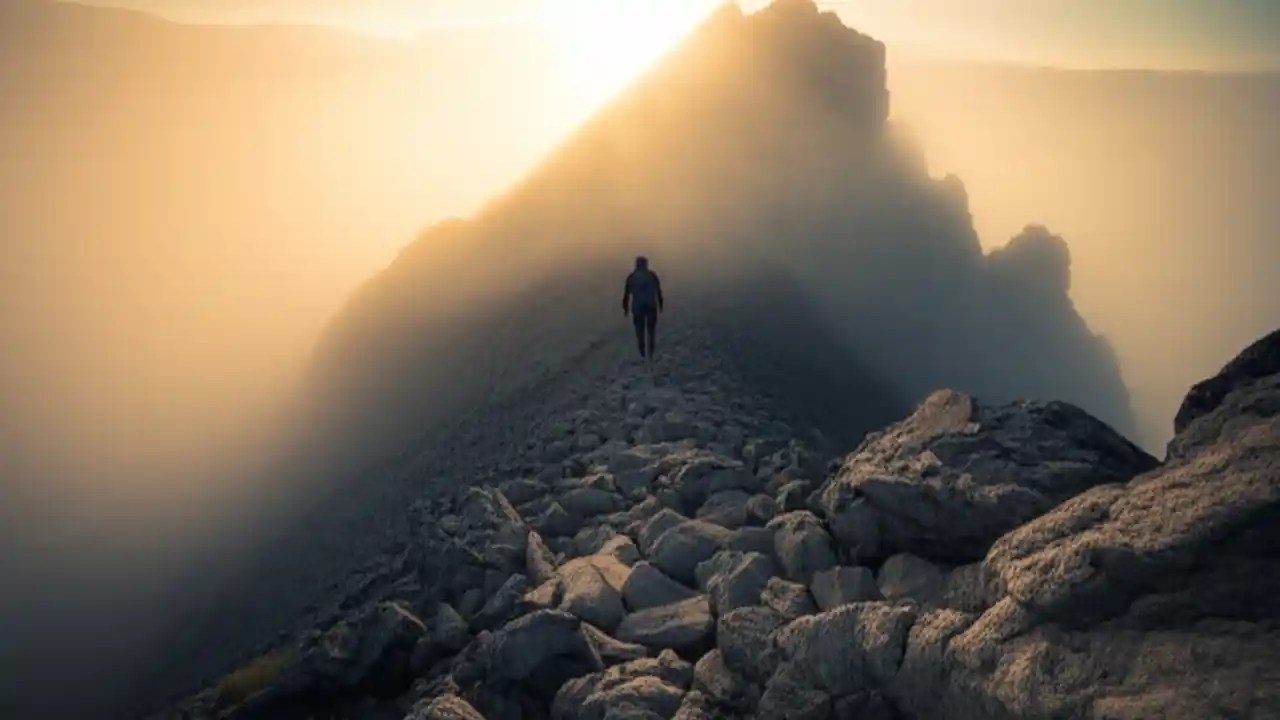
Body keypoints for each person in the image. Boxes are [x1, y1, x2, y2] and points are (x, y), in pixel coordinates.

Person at [622, 256, 664, 363]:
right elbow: (658, 291)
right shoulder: (652, 276)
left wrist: (625, 308)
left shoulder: (632, 277)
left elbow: (626, 294)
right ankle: (651, 348)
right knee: (651, 329)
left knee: (639, 329)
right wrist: (660, 304)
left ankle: (642, 348)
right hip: (651, 305)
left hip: (637, 306)